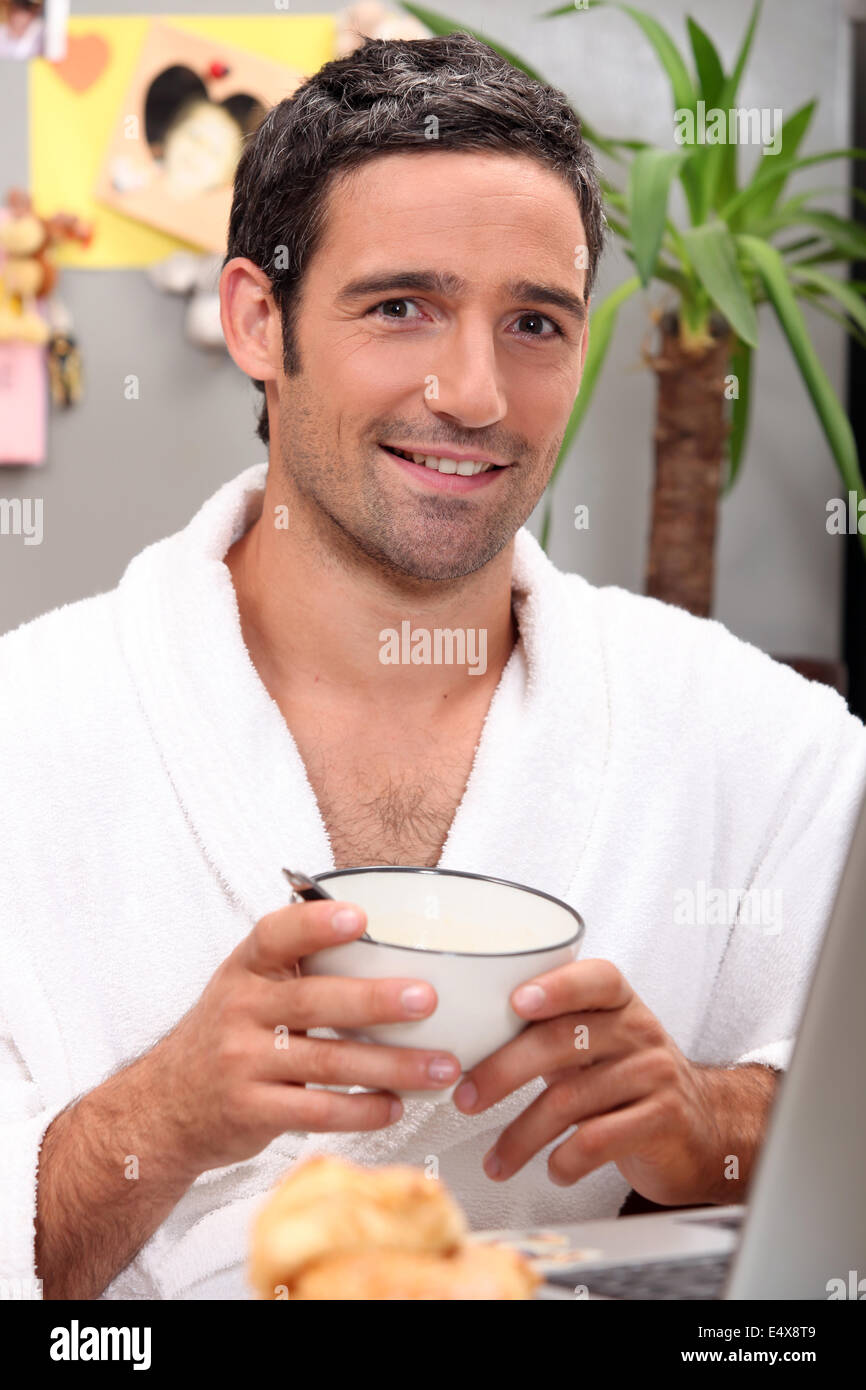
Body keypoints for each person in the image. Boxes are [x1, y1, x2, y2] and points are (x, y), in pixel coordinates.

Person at [1, 34, 864, 1301]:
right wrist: (161, 1116)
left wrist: (711, 1123)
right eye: (400, 305)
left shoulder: (746, 737)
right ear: (257, 319)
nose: (473, 393)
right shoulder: (31, 732)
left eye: (533, 323)